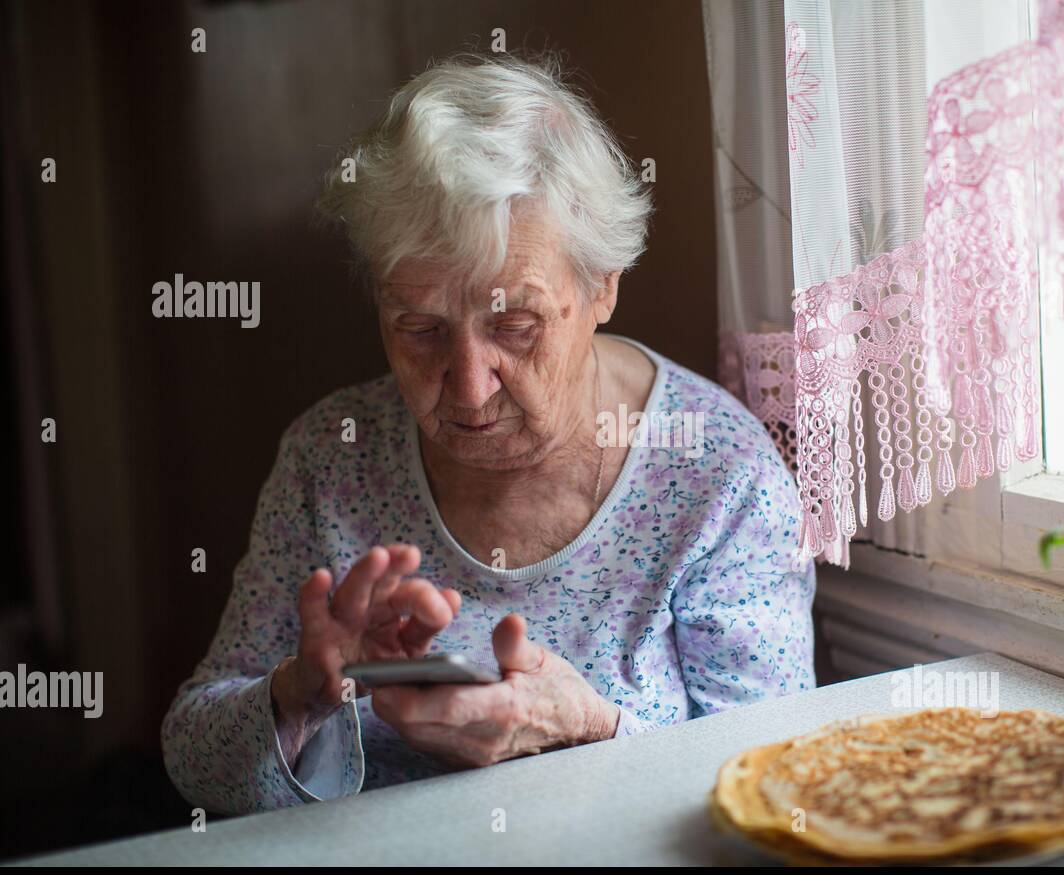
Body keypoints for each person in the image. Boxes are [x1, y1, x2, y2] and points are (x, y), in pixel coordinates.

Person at [162, 53, 815, 816]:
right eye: (421, 329)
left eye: (514, 325)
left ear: (602, 285)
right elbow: (193, 762)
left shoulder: (717, 475)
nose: (469, 386)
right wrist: (302, 692)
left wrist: (588, 730)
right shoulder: (329, 458)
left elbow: (779, 794)